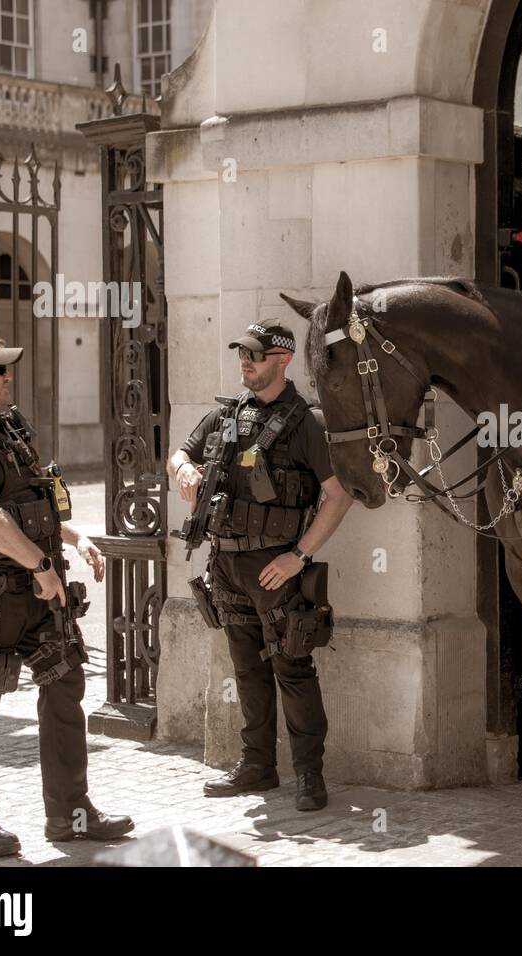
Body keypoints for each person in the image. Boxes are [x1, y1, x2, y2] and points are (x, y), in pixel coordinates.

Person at [0, 335, 133, 858]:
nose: (8, 379)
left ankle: (71, 816)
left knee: (65, 694)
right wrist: (39, 564)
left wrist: (74, 538)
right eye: (0, 372)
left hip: (41, 593)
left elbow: (30, 502)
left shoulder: (8, 430)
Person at [168, 319, 354, 811]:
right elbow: (178, 454)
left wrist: (299, 557)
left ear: (282, 359)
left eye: (254, 354)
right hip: (226, 565)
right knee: (247, 670)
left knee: (292, 668)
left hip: (276, 568)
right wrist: (184, 468)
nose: (244, 362)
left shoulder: (306, 421)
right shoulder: (228, 415)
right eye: (241, 354)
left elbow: (339, 496)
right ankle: (257, 767)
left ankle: (310, 775)